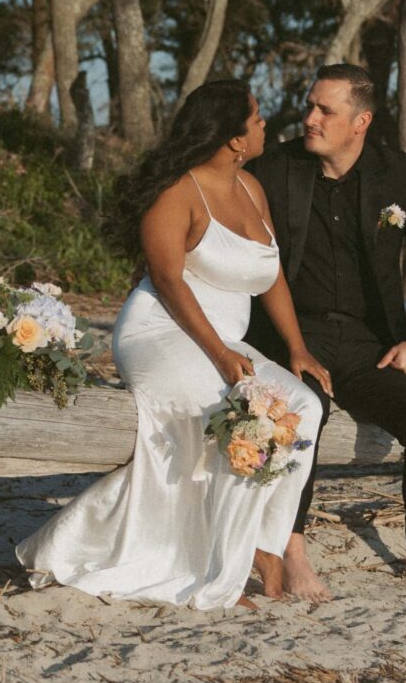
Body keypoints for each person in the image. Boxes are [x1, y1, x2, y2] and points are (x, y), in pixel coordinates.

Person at [17, 80, 331, 609]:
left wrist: (297, 348)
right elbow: (168, 282)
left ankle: (266, 545)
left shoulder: (252, 190)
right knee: (244, 415)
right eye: (254, 119)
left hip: (222, 338)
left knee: (303, 406)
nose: (263, 126)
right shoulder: (177, 193)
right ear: (232, 138)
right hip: (162, 334)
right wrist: (220, 354)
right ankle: (219, 570)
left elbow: (272, 274)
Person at [245, 63, 406, 597]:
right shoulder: (275, 167)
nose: (310, 118)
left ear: (361, 121)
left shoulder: (403, 175)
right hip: (291, 336)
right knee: (306, 417)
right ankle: (292, 553)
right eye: (309, 105)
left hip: (372, 344)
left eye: (325, 110)